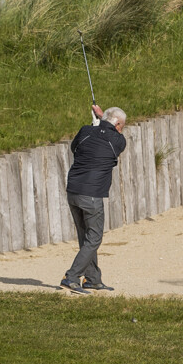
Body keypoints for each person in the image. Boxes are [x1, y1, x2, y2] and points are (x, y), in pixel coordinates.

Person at [60, 103, 127, 293]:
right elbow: (110, 136)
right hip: (91, 195)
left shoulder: (85, 131)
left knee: (86, 237)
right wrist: (102, 120)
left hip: (73, 191)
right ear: (118, 125)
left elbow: (75, 148)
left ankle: (93, 279)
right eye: (122, 126)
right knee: (94, 238)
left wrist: (97, 122)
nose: (122, 130)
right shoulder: (118, 141)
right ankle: (71, 277)